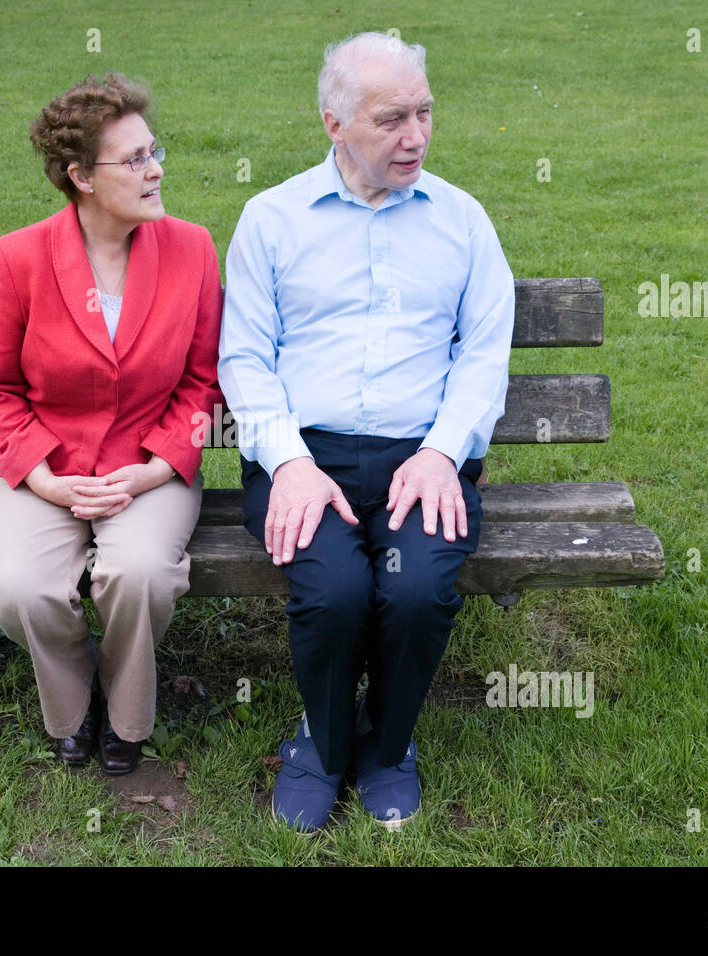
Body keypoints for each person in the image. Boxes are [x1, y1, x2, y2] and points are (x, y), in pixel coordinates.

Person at [218, 33, 515, 829]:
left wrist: (443, 451)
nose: (415, 135)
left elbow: (485, 353)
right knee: (338, 591)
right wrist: (286, 463)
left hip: (424, 460)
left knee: (417, 589)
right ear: (334, 124)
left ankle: (388, 744)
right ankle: (321, 739)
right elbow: (244, 356)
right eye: (391, 119)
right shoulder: (272, 219)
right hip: (302, 459)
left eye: (424, 113)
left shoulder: (462, 221)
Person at [0, 73, 223, 775]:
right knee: (19, 587)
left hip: (149, 462)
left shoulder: (193, 249)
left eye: (154, 149)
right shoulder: (17, 258)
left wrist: (159, 466)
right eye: (133, 159)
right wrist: (44, 482)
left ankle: (129, 714)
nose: (156, 167)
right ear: (79, 176)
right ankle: (71, 705)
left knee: (139, 574)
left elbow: (204, 381)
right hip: (42, 465)